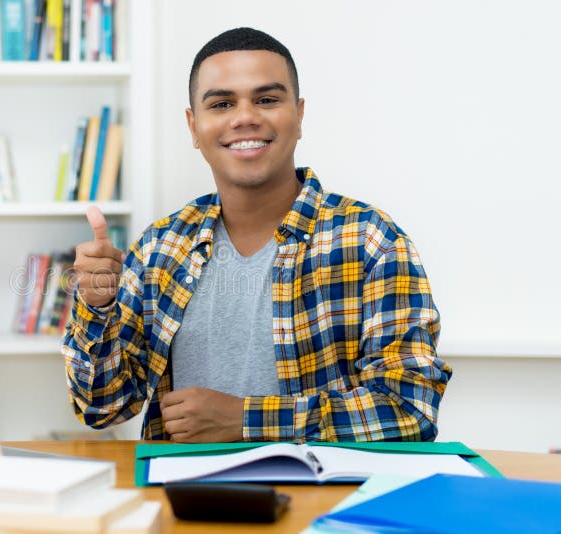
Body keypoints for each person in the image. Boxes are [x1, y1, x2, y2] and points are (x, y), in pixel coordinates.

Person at [62, 27, 451, 443]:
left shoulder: (372, 241)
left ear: (299, 116)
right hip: (181, 484)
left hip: (316, 486)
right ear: (193, 127)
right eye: (222, 104)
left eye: (266, 100)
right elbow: (101, 407)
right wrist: (97, 307)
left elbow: (410, 410)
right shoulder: (159, 248)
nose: (245, 117)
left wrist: (245, 419)